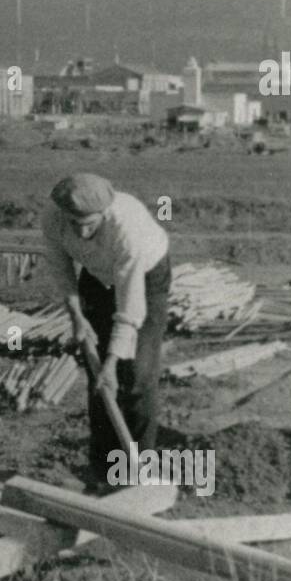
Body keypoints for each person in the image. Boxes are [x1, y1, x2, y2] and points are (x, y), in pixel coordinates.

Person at [40, 173, 171, 481]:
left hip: (146, 276)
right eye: (75, 223)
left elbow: (129, 306)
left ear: (104, 214)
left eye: (90, 224)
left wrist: (112, 361)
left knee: (137, 374)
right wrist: (77, 317)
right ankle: (104, 471)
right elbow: (60, 266)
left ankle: (140, 472)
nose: (82, 231)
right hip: (97, 276)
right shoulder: (52, 217)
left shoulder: (128, 228)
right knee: (98, 380)